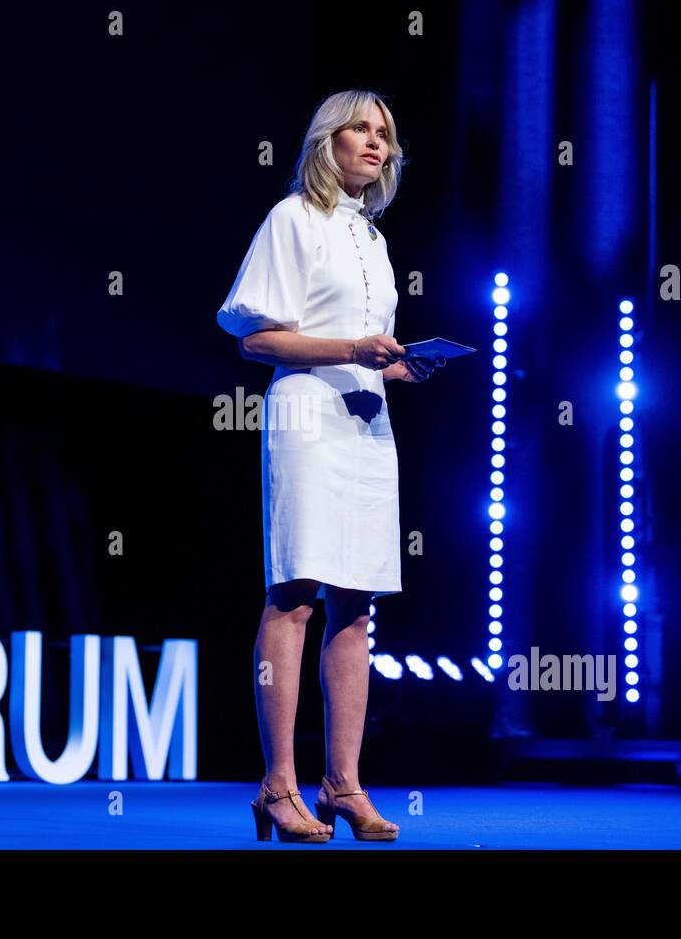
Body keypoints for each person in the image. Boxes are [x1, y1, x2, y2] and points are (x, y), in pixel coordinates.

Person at [216, 89, 445, 843]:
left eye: (385, 132)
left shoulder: (373, 241)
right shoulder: (293, 220)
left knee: (359, 605)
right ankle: (278, 786)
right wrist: (352, 350)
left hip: (367, 426)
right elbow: (256, 339)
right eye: (361, 129)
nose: (377, 142)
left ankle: (343, 784)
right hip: (308, 420)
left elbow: (366, 342)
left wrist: (398, 367)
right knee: (294, 597)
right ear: (328, 141)